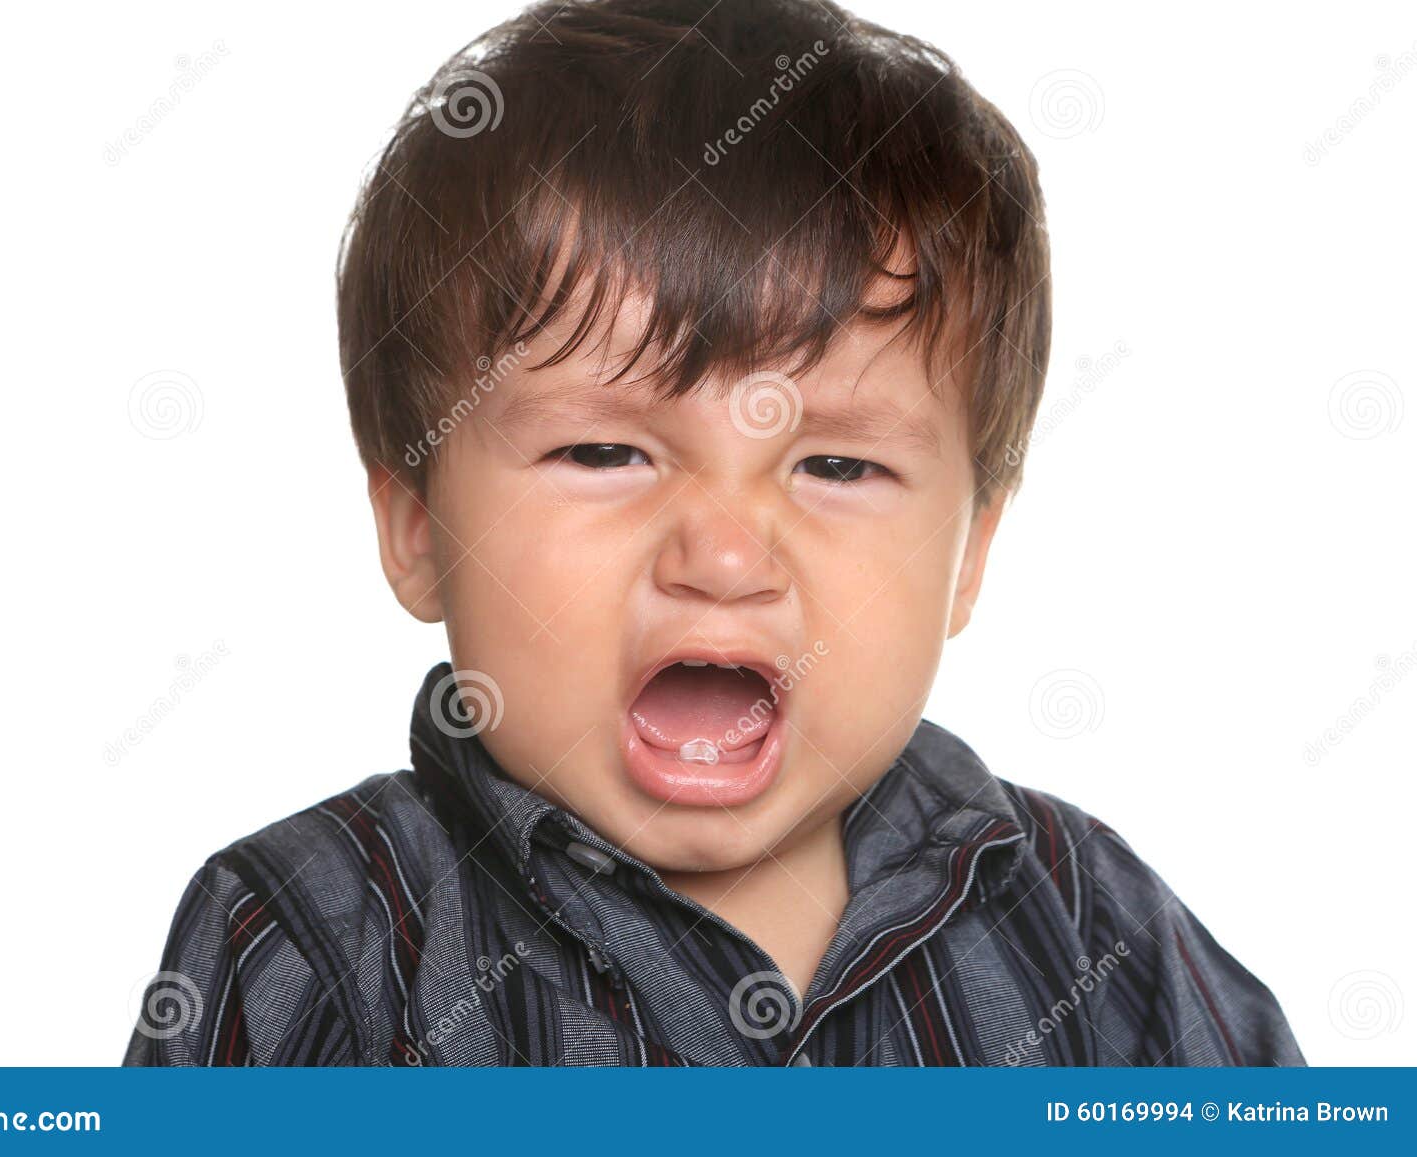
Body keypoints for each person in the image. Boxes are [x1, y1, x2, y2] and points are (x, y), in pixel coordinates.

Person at [126, 0, 1303, 1066]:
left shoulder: (1091, 923)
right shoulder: (319, 935)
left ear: (971, 553)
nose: (726, 558)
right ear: (417, 527)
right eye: (604, 453)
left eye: (837, 464)